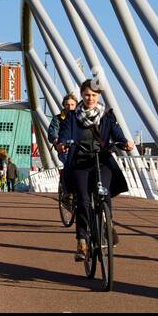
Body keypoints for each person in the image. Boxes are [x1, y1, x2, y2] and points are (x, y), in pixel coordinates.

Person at [57, 79, 134, 262]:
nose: (90, 98)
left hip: (102, 160)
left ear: (98, 96)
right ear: (81, 96)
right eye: (86, 95)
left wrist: (125, 143)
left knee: (104, 194)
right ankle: (82, 242)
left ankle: (108, 224)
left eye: (93, 95)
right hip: (80, 162)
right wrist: (62, 144)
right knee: (83, 200)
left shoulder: (106, 115)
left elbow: (116, 132)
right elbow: (65, 134)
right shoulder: (73, 117)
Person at [47, 94, 78, 164]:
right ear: (64, 105)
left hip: (80, 150)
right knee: (71, 165)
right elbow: (52, 133)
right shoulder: (57, 119)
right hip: (65, 150)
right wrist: (57, 142)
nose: (70, 107)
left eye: (72, 105)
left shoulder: (80, 118)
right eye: (67, 104)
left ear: (76, 105)